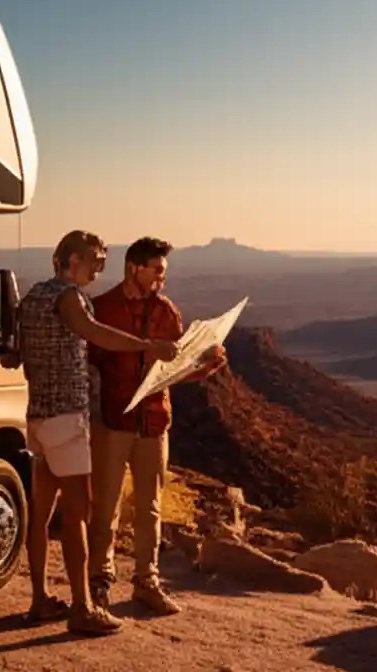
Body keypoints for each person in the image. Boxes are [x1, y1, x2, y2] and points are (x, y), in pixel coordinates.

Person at [4, 230, 179, 636]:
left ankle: (39, 600)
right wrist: (146, 346)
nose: (101, 269)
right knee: (79, 514)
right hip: (67, 418)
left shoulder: (32, 298)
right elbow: (93, 332)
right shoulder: (72, 298)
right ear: (74, 260)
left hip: (39, 416)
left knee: (42, 511)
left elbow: (17, 352)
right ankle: (83, 606)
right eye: (96, 261)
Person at [87, 236, 228, 616]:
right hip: (113, 421)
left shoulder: (168, 313)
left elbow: (171, 373)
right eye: (158, 271)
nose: (162, 280)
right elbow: (90, 366)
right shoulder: (101, 310)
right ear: (135, 268)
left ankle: (146, 582)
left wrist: (205, 367)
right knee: (105, 506)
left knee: (150, 508)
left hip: (154, 422)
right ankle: (98, 584)